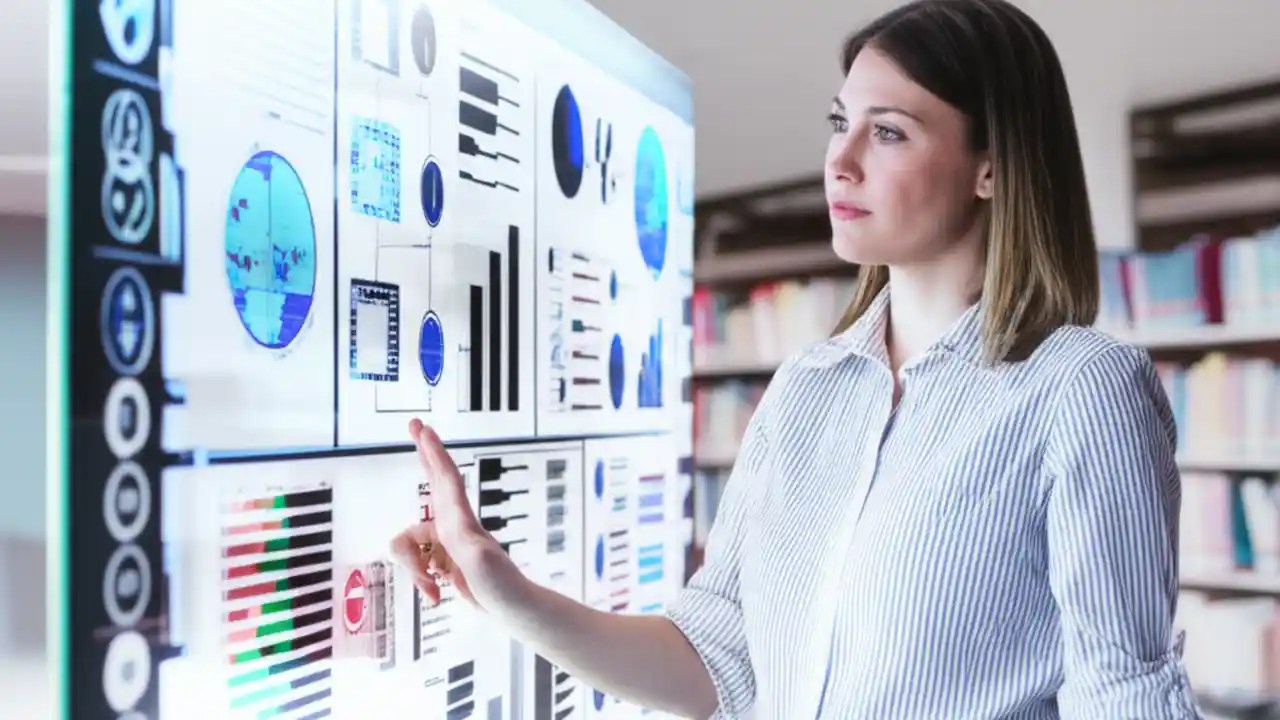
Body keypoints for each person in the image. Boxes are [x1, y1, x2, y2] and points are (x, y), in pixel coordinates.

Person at [391, 0, 1204, 717]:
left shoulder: (1081, 388)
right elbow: (712, 660)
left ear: (991, 169)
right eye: (839, 123)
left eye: (888, 132)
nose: (840, 161)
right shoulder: (804, 392)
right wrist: (504, 589)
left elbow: (1122, 697)